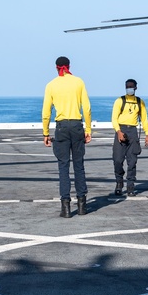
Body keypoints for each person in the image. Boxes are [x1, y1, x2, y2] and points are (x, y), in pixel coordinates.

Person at [42, 56, 92, 218]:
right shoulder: (79, 82)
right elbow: (87, 107)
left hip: (62, 127)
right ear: (69, 66)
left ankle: (66, 207)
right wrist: (88, 129)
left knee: (63, 167)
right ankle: (82, 205)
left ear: (56, 67)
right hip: (77, 126)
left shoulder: (51, 85)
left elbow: (46, 112)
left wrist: (45, 133)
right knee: (79, 165)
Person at [111, 78, 148, 196]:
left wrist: (147, 133)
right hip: (121, 130)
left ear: (135, 88)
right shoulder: (119, 101)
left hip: (133, 132)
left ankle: (130, 186)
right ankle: (119, 182)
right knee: (117, 160)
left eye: (131, 87)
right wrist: (118, 132)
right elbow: (114, 118)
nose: (129, 89)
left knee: (132, 161)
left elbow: (144, 118)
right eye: (127, 87)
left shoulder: (140, 102)